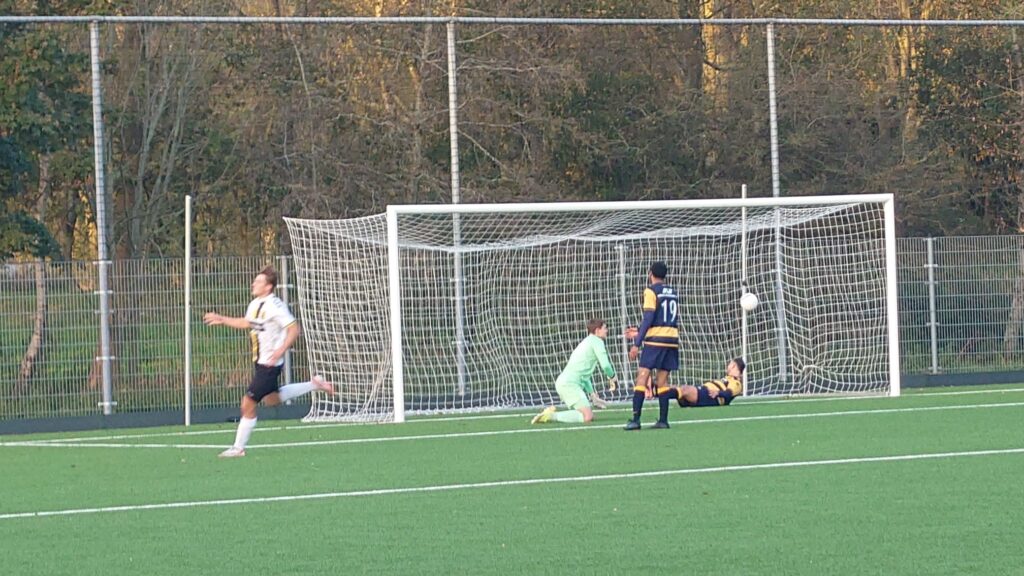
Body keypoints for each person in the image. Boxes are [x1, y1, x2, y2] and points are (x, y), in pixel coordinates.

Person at [204, 266, 333, 458]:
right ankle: (314, 384)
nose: (253, 284)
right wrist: (222, 319)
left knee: (247, 403)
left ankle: (238, 448)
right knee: (272, 399)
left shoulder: (275, 306)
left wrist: (280, 351)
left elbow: (294, 329)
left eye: (258, 282)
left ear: (268, 287)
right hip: (261, 361)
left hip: (270, 365)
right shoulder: (256, 304)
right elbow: (248, 323)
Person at [624, 261, 679, 430]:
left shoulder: (650, 291)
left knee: (642, 377)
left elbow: (649, 317)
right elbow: (663, 317)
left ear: (650, 274)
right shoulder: (673, 292)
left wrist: (636, 343)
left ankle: (635, 420)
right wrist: (640, 330)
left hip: (655, 341)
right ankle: (663, 420)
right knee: (662, 381)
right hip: (672, 340)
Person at [530, 318, 617, 424]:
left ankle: (551, 415)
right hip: (569, 384)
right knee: (587, 417)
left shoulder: (587, 341)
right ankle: (551, 416)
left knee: (589, 415)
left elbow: (584, 376)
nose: (607, 330)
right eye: (605, 328)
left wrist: (593, 395)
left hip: (564, 383)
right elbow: (606, 366)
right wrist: (612, 377)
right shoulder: (597, 342)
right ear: (597, 330)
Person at [660, 358, 746, 411]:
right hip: (705, 392)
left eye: (730, 364)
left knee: (684, 390)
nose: (728, 366)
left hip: (710, 396)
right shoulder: (728, 378)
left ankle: (659, 394)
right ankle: (658, 391)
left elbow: (728, 393)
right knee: (677, 388)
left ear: (734, 366)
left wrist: (717, 393)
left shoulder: (736, 382)